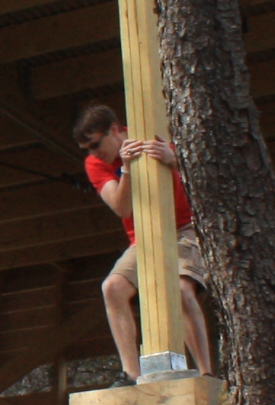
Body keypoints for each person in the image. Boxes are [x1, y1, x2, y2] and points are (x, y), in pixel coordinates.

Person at [77, 104, 216, 380]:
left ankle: (206, 373)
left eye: (96, 144)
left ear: (115, 130)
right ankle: (130, 373)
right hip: (143, 236)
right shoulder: (95, 163)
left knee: (180, 290)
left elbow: (209, 172)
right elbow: (122, 207)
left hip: (186, 227)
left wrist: (173, 157)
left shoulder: (154, 132)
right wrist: (127, 169)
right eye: (87, 149)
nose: (94, 153)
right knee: (112, 288)